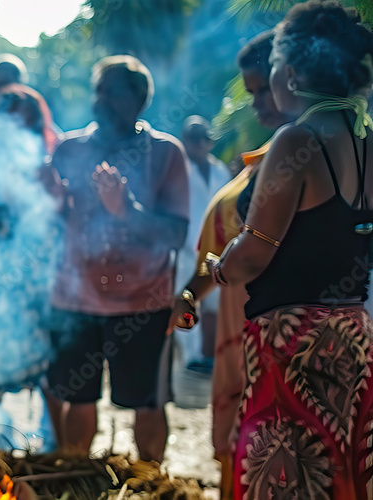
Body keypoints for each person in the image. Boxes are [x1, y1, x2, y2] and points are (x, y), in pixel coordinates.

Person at [208, 2, 373, 497]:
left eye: (276, 64)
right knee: (340, 469)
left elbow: (254, 253)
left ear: (293, 74)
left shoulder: (295, 141)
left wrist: (221, 268)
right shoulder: (366, 141)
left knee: (286, 479)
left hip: (293, 342)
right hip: (353, 333)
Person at [39, 55, 189, 462]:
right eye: (98, 91)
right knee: (77, 397)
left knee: (148, 403)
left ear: (139, 101)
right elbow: (52, 225)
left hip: (143, 302)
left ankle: (150, 480)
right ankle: (76, 477)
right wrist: (49, 201)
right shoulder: (70, 150)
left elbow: (176, 234)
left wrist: (126, 209)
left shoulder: (166, 153)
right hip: (75, 300)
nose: (101, 101)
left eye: (114, 93)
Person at [168, 30, 295, 500]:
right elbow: (218, 253)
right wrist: (188, 296)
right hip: (241, 336)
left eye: (265, 89)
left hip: (288, 337)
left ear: (293, 79)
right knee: (242, 450)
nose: (258, 103)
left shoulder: (317, 162)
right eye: (252, 91)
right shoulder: (255, 169)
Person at [175, 115, 231, 372]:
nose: (198, 144)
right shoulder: (178, 169)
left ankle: (212, 354)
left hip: (215, 247)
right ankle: (192, 357)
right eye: (193, 138)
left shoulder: (220, 170)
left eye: (203, 138)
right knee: (187, 299)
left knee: (215, 302)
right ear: (185, 140)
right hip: (186, 248)